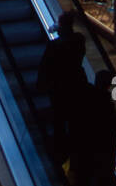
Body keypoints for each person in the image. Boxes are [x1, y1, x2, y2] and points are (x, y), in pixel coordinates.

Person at [35, 11, 86, 161]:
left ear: (61, 24)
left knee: (59, 117)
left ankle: (61, 149)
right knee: (74, 115)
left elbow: (46, 65)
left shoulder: (55, 45)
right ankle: (75, 145)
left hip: (59, 86)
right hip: (76, 82)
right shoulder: (79, 39)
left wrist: (41, 83)